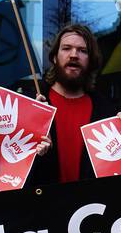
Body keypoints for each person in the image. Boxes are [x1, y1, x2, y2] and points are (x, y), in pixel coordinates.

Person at [30, 23, 115, 185]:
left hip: (89, 207)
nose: (74, 55)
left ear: (91, 61)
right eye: (66, 48)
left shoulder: (106, 111)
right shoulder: (33, 104)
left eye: (82, 51)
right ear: (54, 57)